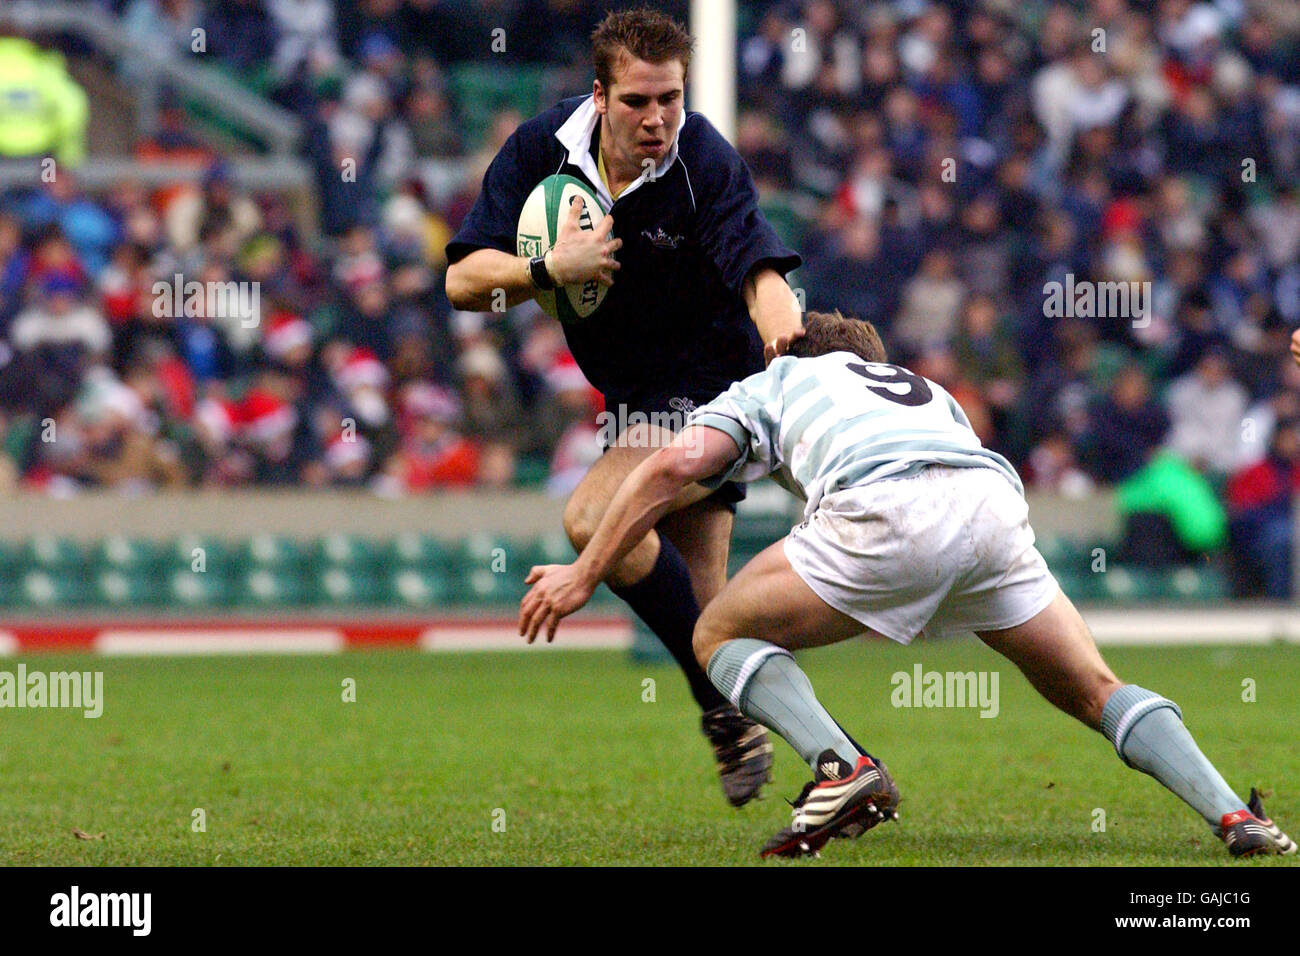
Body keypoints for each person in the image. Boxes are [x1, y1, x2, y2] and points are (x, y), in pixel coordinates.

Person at [520, 310, 1297, 860]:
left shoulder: (780, 377)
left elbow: (671, 465)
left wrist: (586, 570)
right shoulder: (924, 388)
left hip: (884, 511)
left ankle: (842, 766)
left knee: (718, 631)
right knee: (1095, 687)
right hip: (991, 509)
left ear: (793, 352)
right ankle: (1232, 812)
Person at [446, 8, 804, 806]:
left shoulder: (702, 160)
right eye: (639, 101)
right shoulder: (541, 151)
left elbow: (760, 270)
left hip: (721, 389)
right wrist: (550, 268)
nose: (658, 118)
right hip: (635, 398)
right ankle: (822, 754)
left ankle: (741, 717)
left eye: (670, 98)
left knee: (590, 519)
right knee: (710, 617)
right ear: (599, 95)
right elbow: (463, 282)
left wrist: (793, 351)